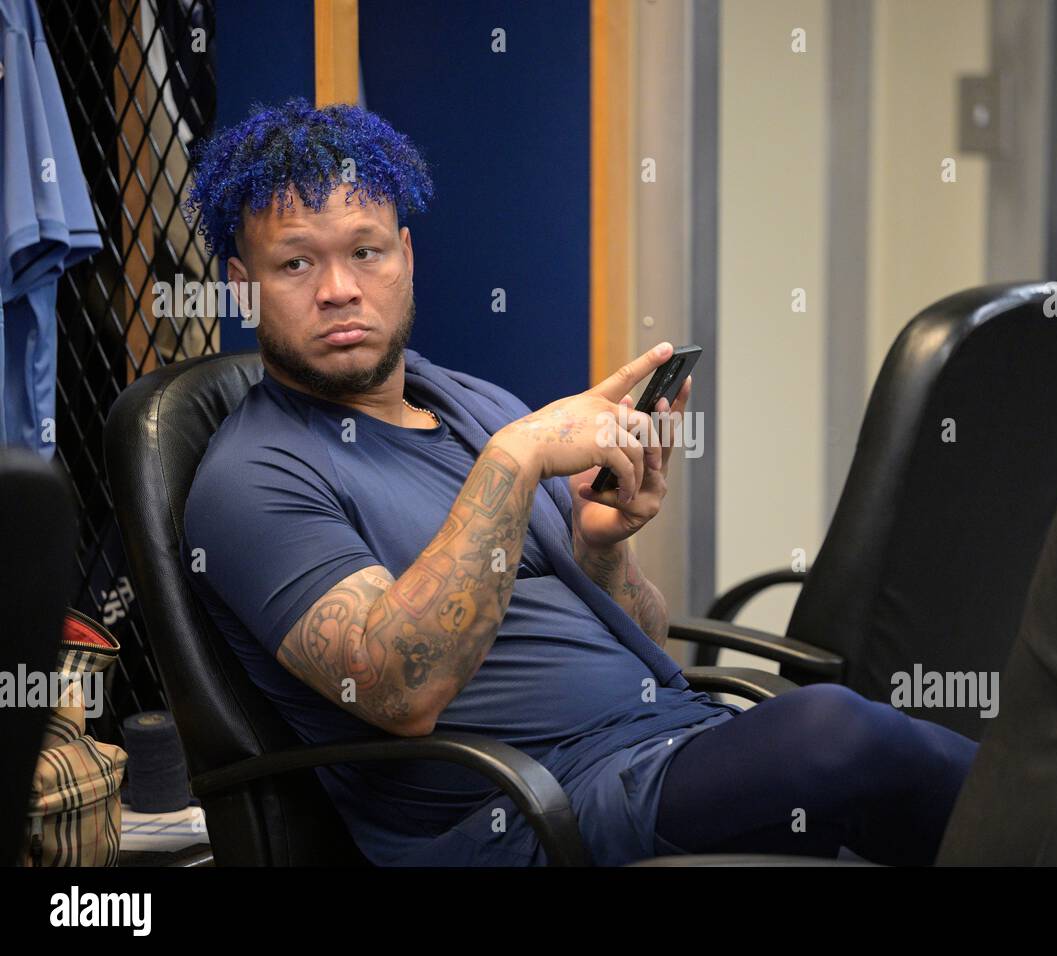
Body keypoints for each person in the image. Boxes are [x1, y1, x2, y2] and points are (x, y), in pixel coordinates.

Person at [180, 98, 977, 866]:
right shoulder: (253, 477)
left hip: (665, 744)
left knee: (901, 794)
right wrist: (515, 458)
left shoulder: (464, 401)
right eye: (295, 263)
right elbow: (397, 692)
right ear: (243, 284)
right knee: (835, 733)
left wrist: (601, 552)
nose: (339, 289)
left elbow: (645, 640)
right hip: (528, 813)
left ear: (406, 257)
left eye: (365, 251)